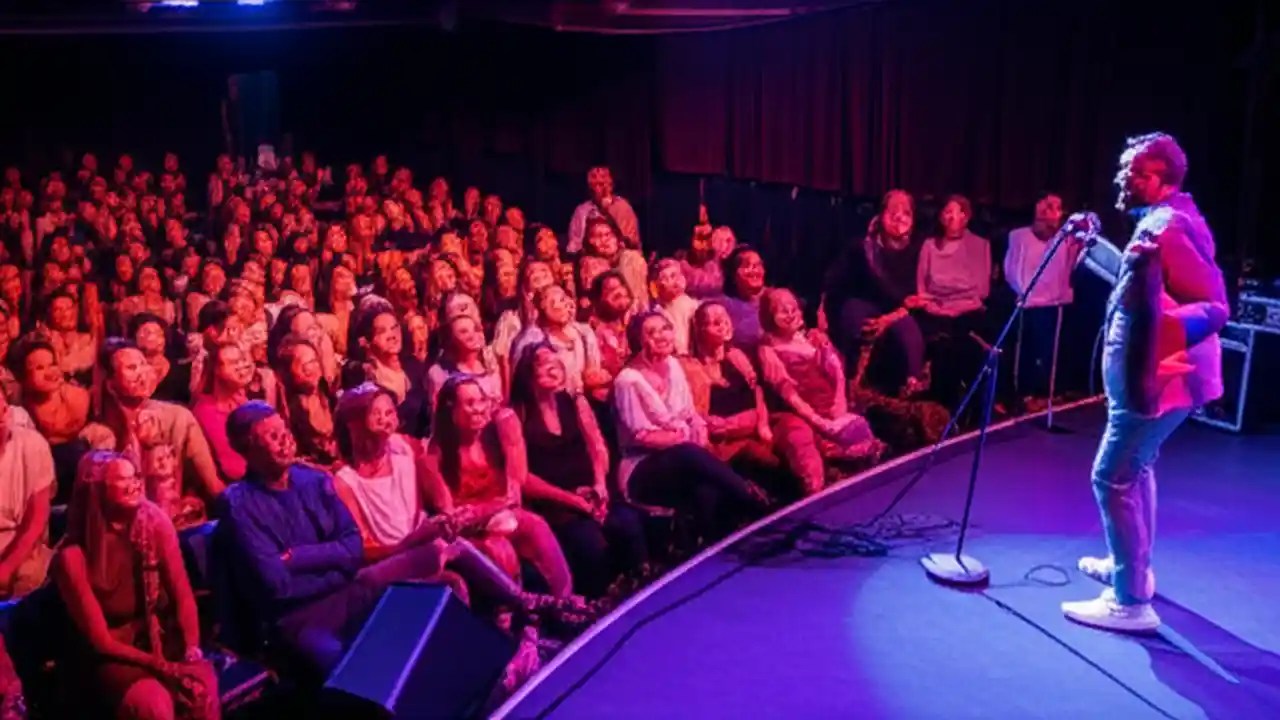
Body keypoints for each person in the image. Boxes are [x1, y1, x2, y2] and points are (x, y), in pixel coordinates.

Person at [1061, 133, 1229, 632]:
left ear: (1163, 180)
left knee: (1111, 477)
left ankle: (1130, 601)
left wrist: (1157, 341)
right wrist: (1093, 248)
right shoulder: (1158, 223)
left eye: (1136, 171)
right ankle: (1131, 571)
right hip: (1153, 377)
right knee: (1137, 468)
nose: (1123, 178)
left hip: (1158, 379)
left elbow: (1216, 304)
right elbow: (1141, 282)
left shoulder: (1172, 226)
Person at [218, 401, 454, 682]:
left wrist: (297, 558)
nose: (286, 440)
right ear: (249, 450)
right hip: (299, 617)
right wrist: (337, 565)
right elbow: (277, 585)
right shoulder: (239, 505)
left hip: (352, 590)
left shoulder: (314, 480)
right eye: (272, 436)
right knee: (344, 664)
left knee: (444, 579)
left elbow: (353, 547)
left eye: (285, 431)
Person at [53, 451, 219, 720]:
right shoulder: (72, 557)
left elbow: (183, 595)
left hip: (159, 640)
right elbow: (102, 642)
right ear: (98, 491)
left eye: (136, 476)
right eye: (123, 479)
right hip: (114, 659)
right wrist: (162, 667)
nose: (136, 485)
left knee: (201, 689)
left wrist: (191, 650)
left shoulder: (155, 523)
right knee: (153, 706)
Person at [1004, 192, 1076, 407]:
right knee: (1025, 350)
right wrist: (1023, 293)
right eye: (1045, 203)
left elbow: (1071, 267)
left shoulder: (1067, 239)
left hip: (1054, 304)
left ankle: (1047, 394)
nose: (1048, 209)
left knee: (1048, 351)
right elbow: (1011, 269)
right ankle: (1022, 395)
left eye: (1055, 206)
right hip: (1026, 304)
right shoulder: (1018, 236)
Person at [0, 392, 54, 600]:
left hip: (24, 545)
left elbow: (37, 518)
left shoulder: (33, 445)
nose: (2, 420)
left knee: (29, 580)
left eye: (4, 410)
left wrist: (7, 566)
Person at [566, 166, 640, 254]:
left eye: (604, 184)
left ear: (611, 186)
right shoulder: (582, 211)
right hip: (591, 258)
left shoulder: (622, 207)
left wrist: (608, 211)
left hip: (620, 256)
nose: (601, 188)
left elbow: (631, 241)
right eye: (596, 185)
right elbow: (575, 245)